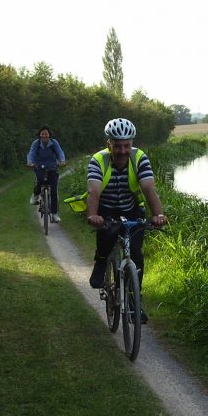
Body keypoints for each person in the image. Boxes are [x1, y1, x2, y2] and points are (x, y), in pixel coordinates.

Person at [86, 117, 168, 324]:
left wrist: (158, 215)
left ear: (131, 144)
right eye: (117, 146)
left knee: (137, 257)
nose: (122, 151)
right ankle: (101, 261)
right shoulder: (98, 160)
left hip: (132, 209)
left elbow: (149, 188)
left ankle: (133, 303)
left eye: (127, 145)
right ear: (109, 144)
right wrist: (93, 215)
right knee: (107, 236)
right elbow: (93, 191)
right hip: (106, 209)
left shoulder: (139, 158)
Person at [26, 125, 66, 223]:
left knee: (53, 190)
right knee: (39, 180)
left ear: (49, 135)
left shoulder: (54, 143)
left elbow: (60, 152)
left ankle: (54, 214)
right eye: (42, 134)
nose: (44, 136)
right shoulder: (36, 143)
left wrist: (62, 161)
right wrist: (30, 162)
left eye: (46, 134)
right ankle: (35, 195)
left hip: (52, 166)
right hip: (39, 166)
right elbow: (31, 153)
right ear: (40, 135)